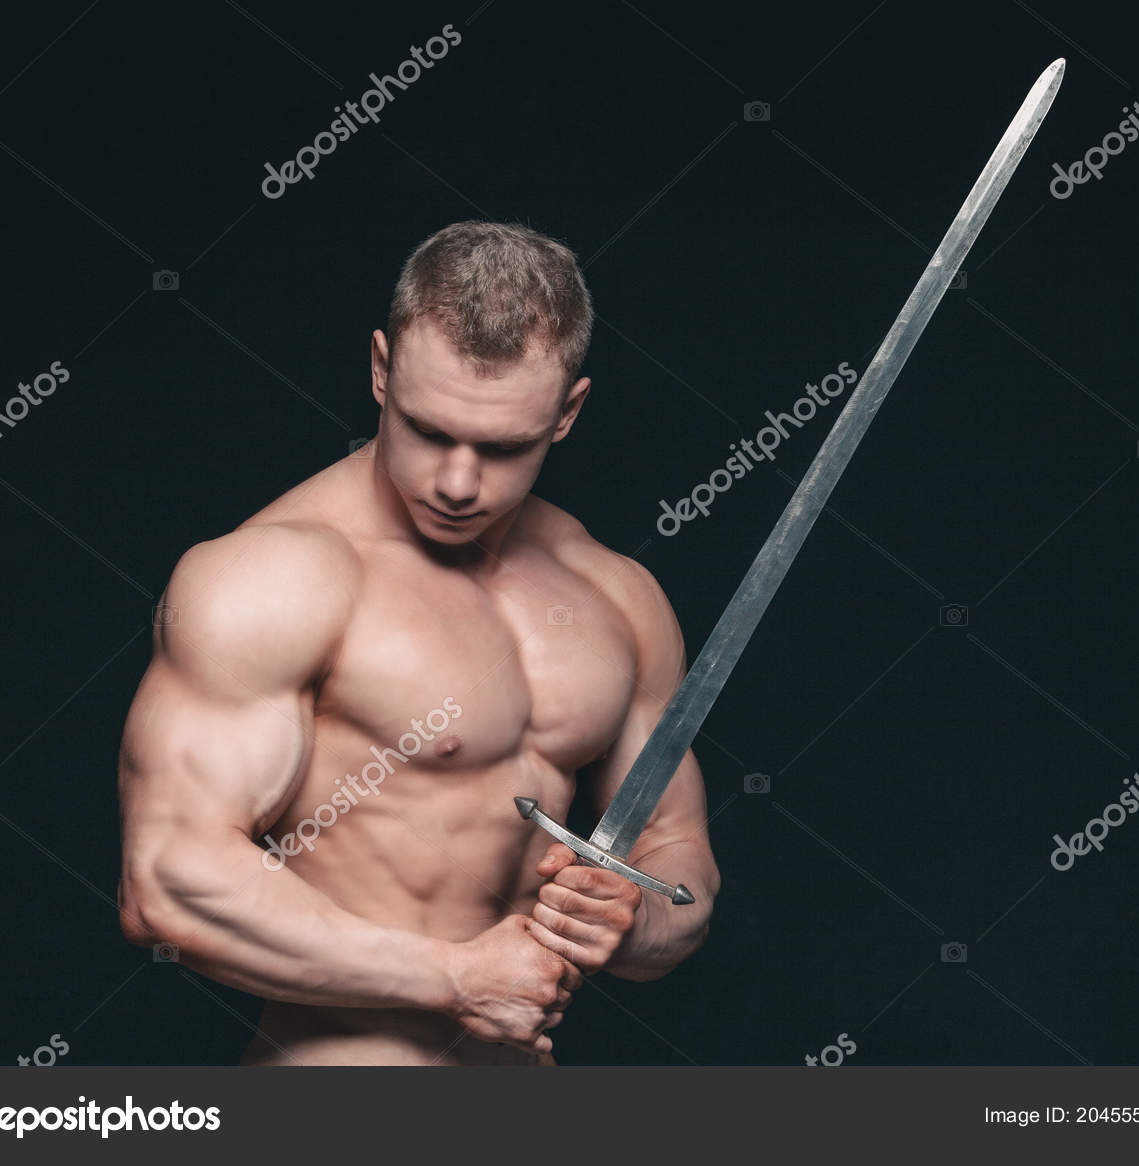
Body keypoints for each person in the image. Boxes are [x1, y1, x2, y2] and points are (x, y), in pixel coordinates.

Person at [116, 221, 720, 1065]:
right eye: (429, 430)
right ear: (379, 370)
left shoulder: (618, 596)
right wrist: (453, 977)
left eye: (503, 447)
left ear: (568, 412)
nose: (459, 483)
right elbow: (168, 881)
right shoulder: (276, 577)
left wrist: (634, 919)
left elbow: (681, 864)